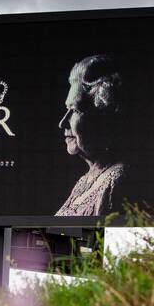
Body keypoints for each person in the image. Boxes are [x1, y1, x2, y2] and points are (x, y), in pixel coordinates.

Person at [55, 54, 129, 217]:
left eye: (75, 110)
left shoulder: (115, 181)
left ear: (103, 117)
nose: (62, 122)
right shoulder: (85, 181)